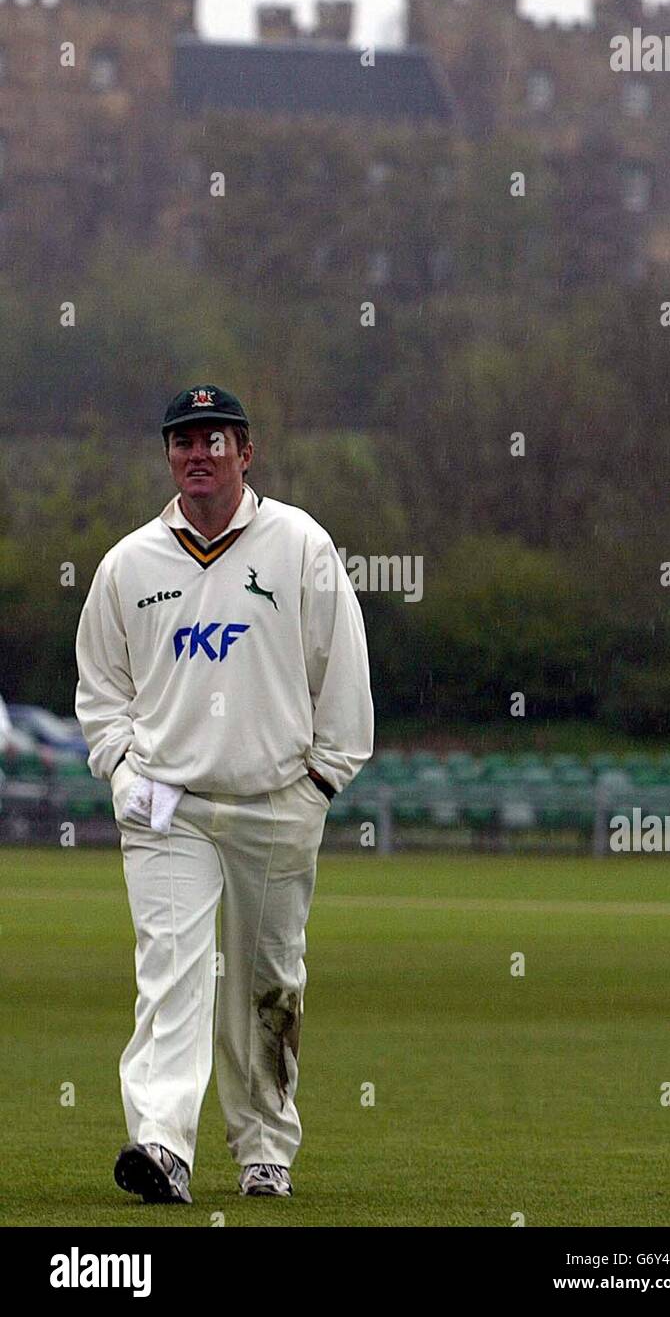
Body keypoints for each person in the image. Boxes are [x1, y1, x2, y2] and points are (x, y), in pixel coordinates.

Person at [74, 384, 374, 1204]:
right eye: (183, 441)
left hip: (276, 802)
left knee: (268, 982)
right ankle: (162, 1145)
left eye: (215, 439)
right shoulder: (129, 564)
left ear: (247, 452)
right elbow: (101, 693)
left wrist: (321, 779)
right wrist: (125, 773)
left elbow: (342, 674)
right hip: (170, 810)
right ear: (168, 456)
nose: (197, 453)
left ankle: (264, 1151)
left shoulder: (300, 545)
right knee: (171, 972)